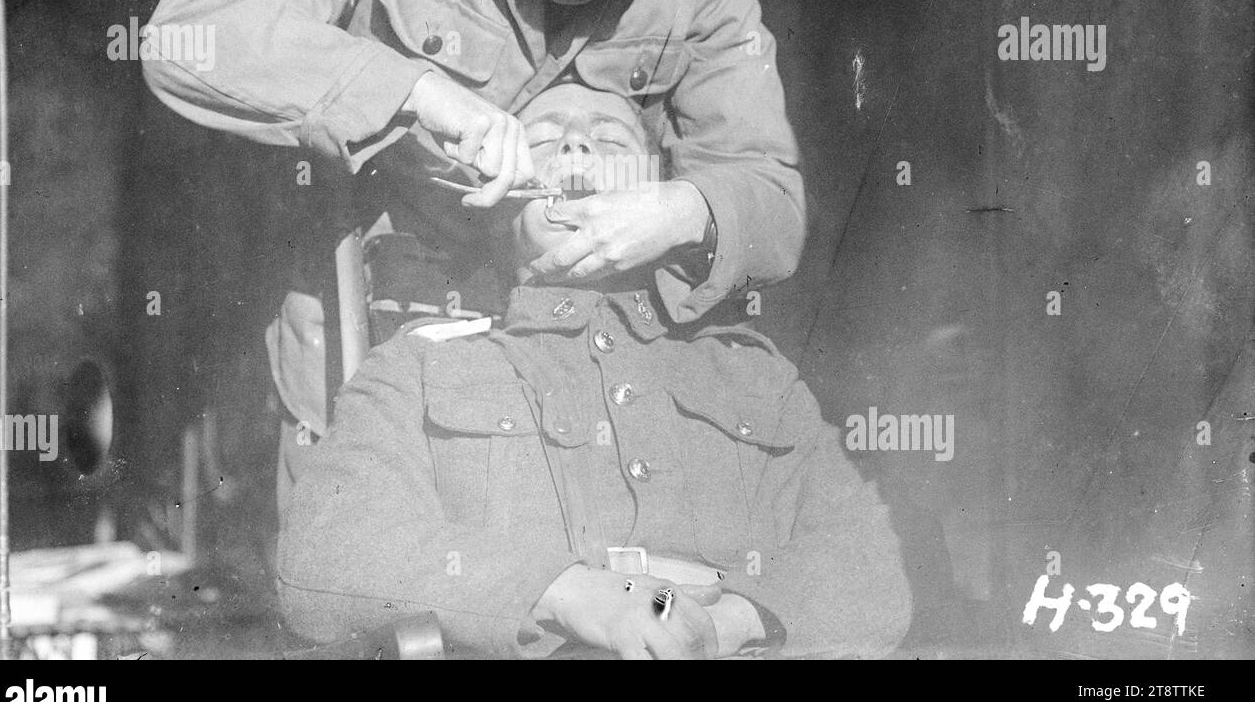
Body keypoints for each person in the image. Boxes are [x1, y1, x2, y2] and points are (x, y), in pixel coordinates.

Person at [144, 0, 806, 513]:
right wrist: (417, 93)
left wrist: (688, 211)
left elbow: (773, 206)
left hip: (581, 347)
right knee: (353, 574)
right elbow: (186, 32)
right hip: (371, 309)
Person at [277, 83, 909, 659]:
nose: (577, 143)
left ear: (659, 192)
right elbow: (328, 550)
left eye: (610, 140)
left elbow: (867, 564)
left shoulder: (757, 380)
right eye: (545, 138)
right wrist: (567, 594)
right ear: (501, 198)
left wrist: (727, 622)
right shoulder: (418, 368)